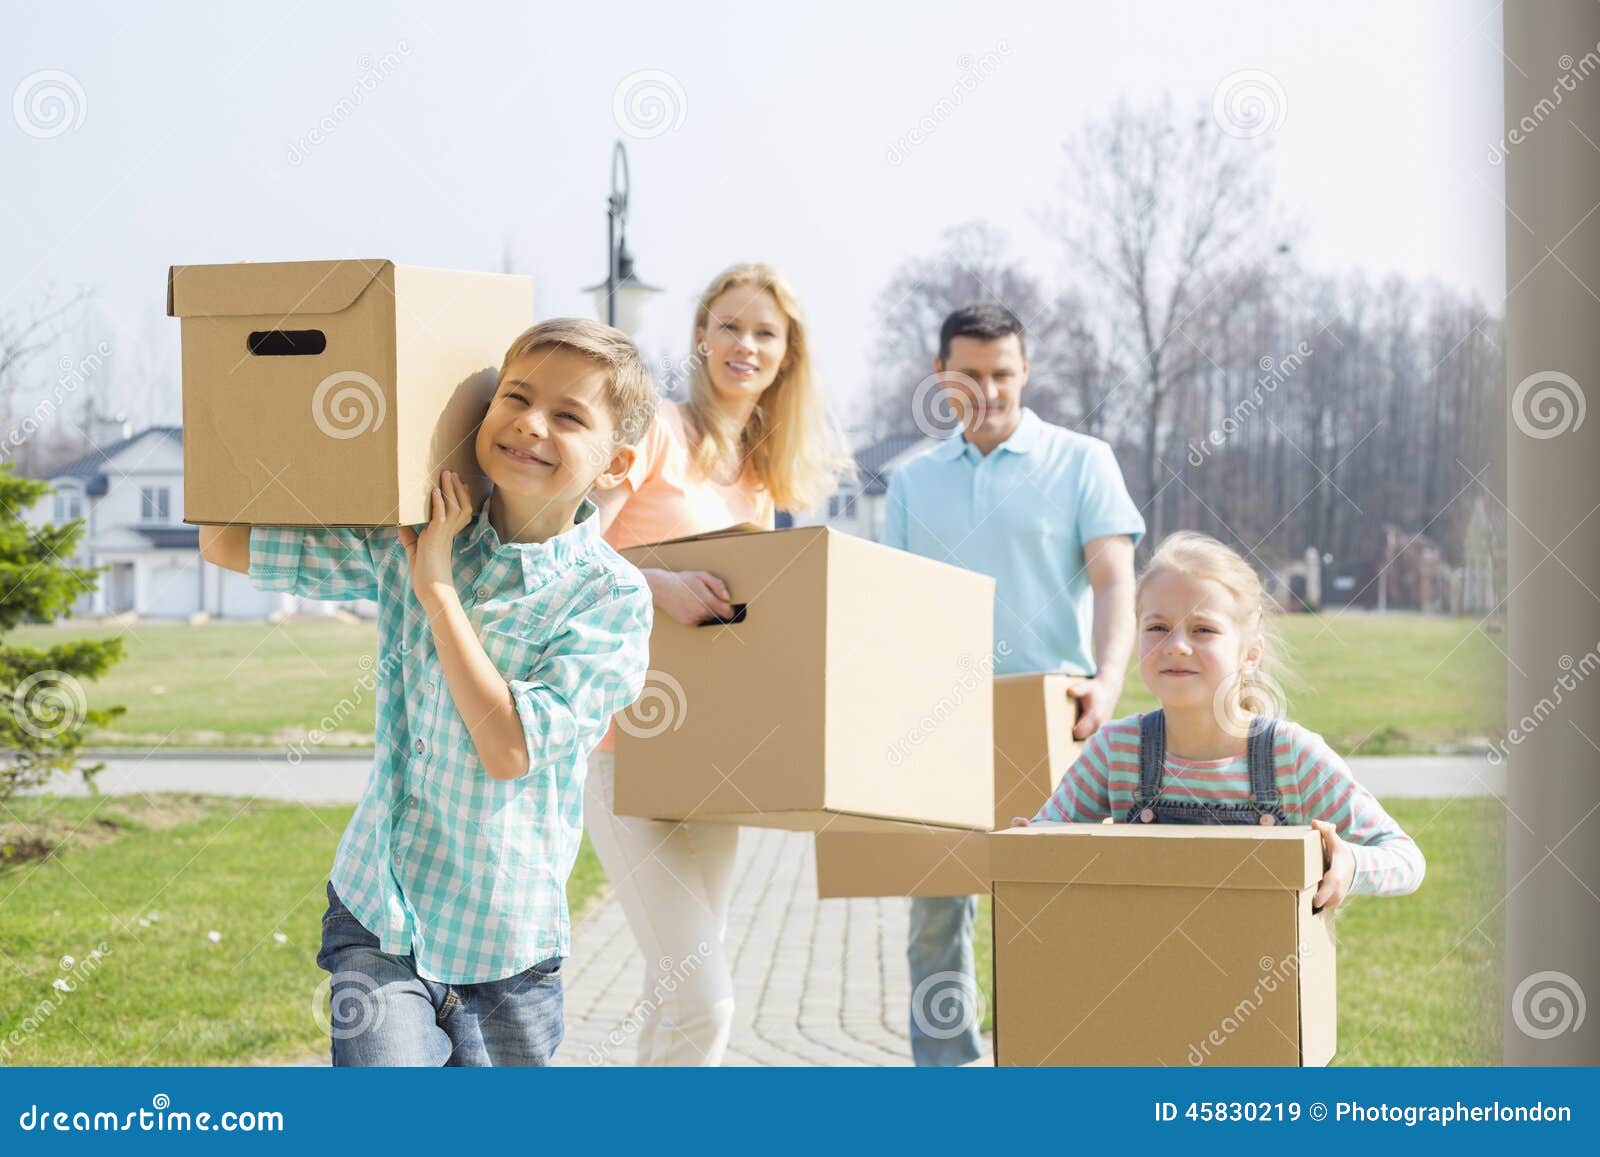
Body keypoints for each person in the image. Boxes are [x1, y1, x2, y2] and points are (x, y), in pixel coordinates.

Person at [199, 318, 657, 1065]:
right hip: (381, 916)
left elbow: (508, 747)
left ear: (616, 462)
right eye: (516, 395)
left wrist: (438, 591)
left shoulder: (610, 599)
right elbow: (224, 541)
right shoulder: (409, 534)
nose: (530, 423)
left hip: (504, 949)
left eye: (569, 416)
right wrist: (248, 397)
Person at [587, 262, 851, 1065]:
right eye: (731, 325)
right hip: (621, 748)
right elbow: (567, 553)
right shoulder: (652, 431)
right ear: (700, 335)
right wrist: (660, 585)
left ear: (786, 355)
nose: (746, 344)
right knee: (707, 1002)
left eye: (766, 332)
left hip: (710, 765)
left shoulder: (758, 483)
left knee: (677, 997)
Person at [883, 302, 1144, 1066]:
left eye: (1003, 374)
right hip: (941, 719)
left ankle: (1054, 1071)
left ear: (1025, 372)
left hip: (1055, 711)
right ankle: (949, 1081)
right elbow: (893, 606)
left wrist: (1108, 681)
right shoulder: (912, 483)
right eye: (969, 374)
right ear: (940, 375)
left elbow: (1116, 582)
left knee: (1051, 908)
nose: (988, 391)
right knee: (936, 915)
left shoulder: (1083, 460)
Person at [1017, 530, 1426, 912]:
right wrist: (1030, 843)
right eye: (1157, 627)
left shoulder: (1293, 757)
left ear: (1250, 653)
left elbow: (1406, 859)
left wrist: (1350, 863)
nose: (1176, 646)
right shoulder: (1116, 751)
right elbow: (1046, 842)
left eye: (1203, 629)